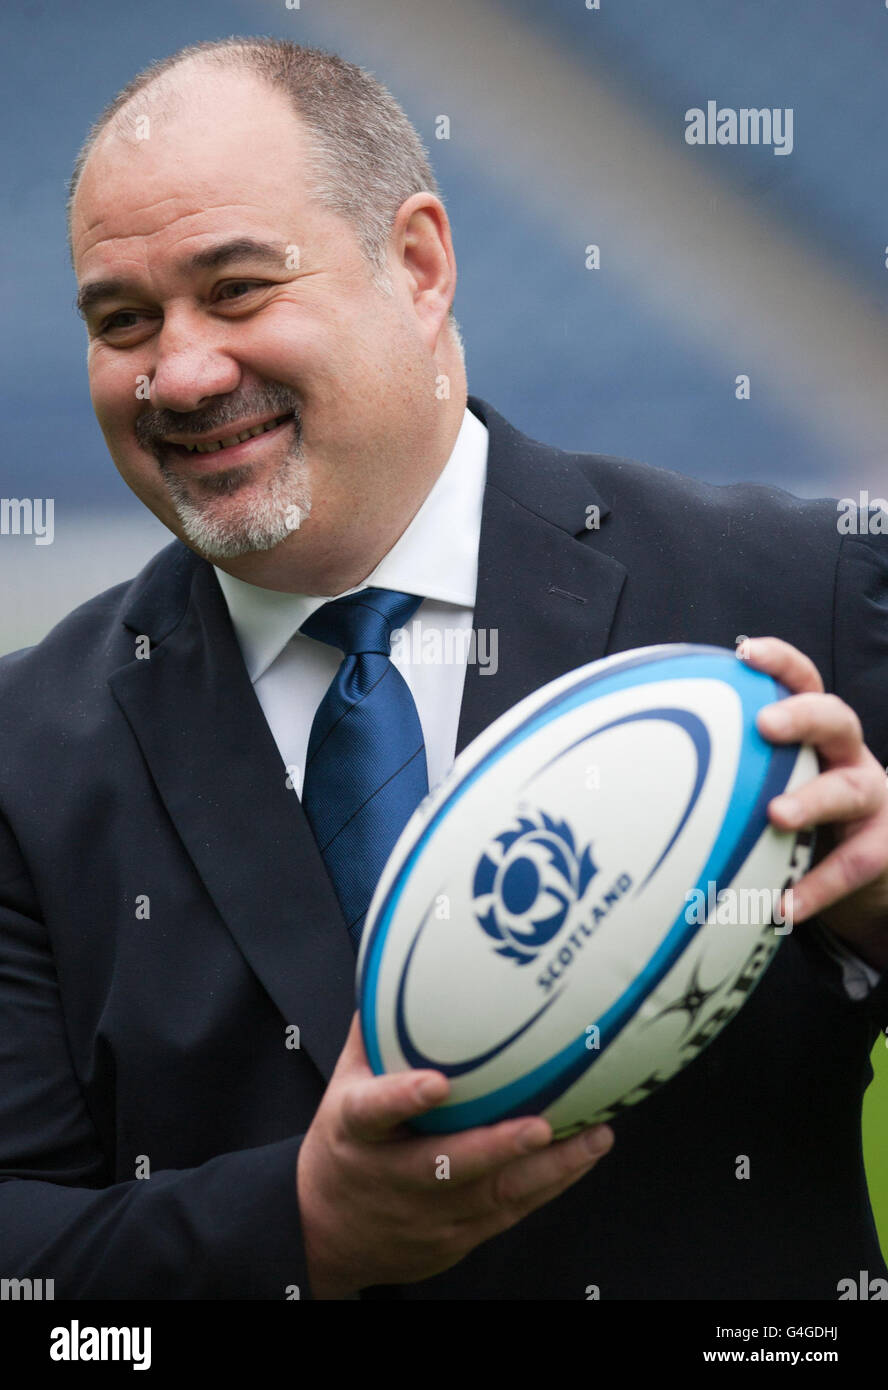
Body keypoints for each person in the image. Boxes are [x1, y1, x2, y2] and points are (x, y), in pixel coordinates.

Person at [1, 36, 886, 1301]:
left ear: (416, 266)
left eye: (240, 289)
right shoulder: (23, 758)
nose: (182, 371)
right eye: (122, 320)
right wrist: (299, 1230)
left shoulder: (802, 596)